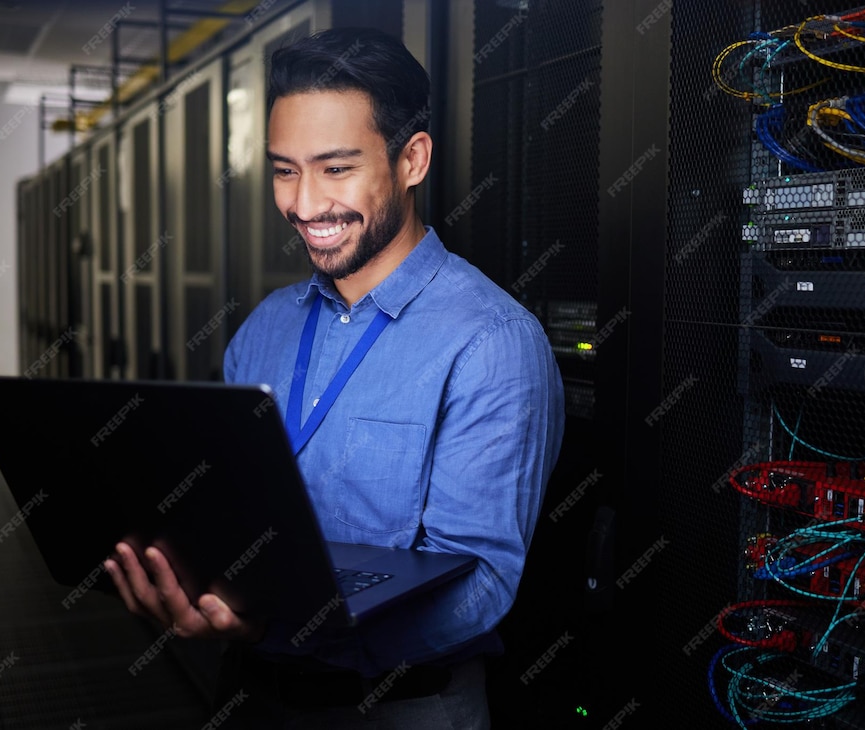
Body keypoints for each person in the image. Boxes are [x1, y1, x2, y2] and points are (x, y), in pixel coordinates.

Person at [104, 26, 565, 729]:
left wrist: (269, 628)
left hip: (402, 710)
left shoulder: (491, 343)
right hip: (246, 695)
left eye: (336, 168)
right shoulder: (265, 328)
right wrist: (185, 577)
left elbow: (479, 586)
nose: (304, 204)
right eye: (284, 170)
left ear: (411, 159)